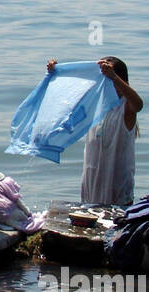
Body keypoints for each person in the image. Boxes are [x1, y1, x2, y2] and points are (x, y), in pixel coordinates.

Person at [45, 56, 142, 206]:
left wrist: (114, 77)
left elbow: (138, 104)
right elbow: (67, 97)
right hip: (92, 182)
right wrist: (56, 73)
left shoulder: (125, 107)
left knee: (116, 222)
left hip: (117, 185)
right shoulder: (93, 105)